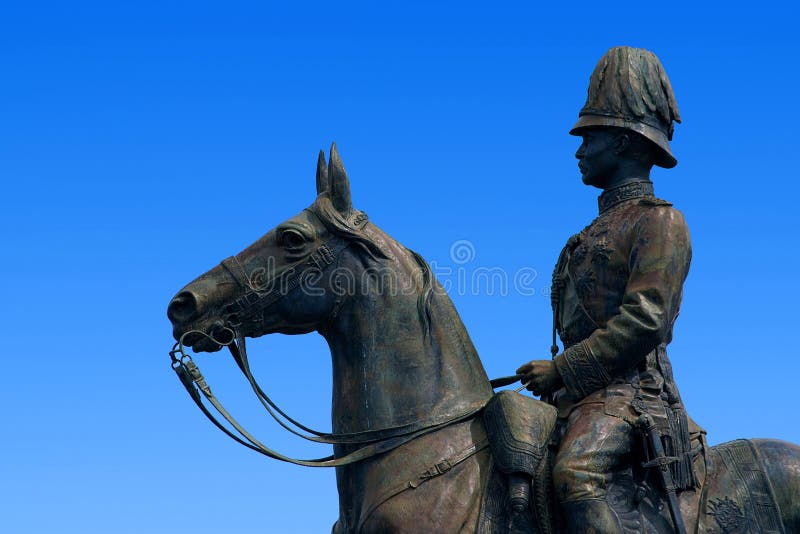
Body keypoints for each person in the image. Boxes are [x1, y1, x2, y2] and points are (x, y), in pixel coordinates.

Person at [516, 46, 700, 533]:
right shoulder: (594, 230)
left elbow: (647, 319)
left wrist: (561, 369)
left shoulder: (659, 223)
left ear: (621, 144)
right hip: (579, 397)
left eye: (588, 138)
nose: (579, 151)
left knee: (577, 475)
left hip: (632, 394)